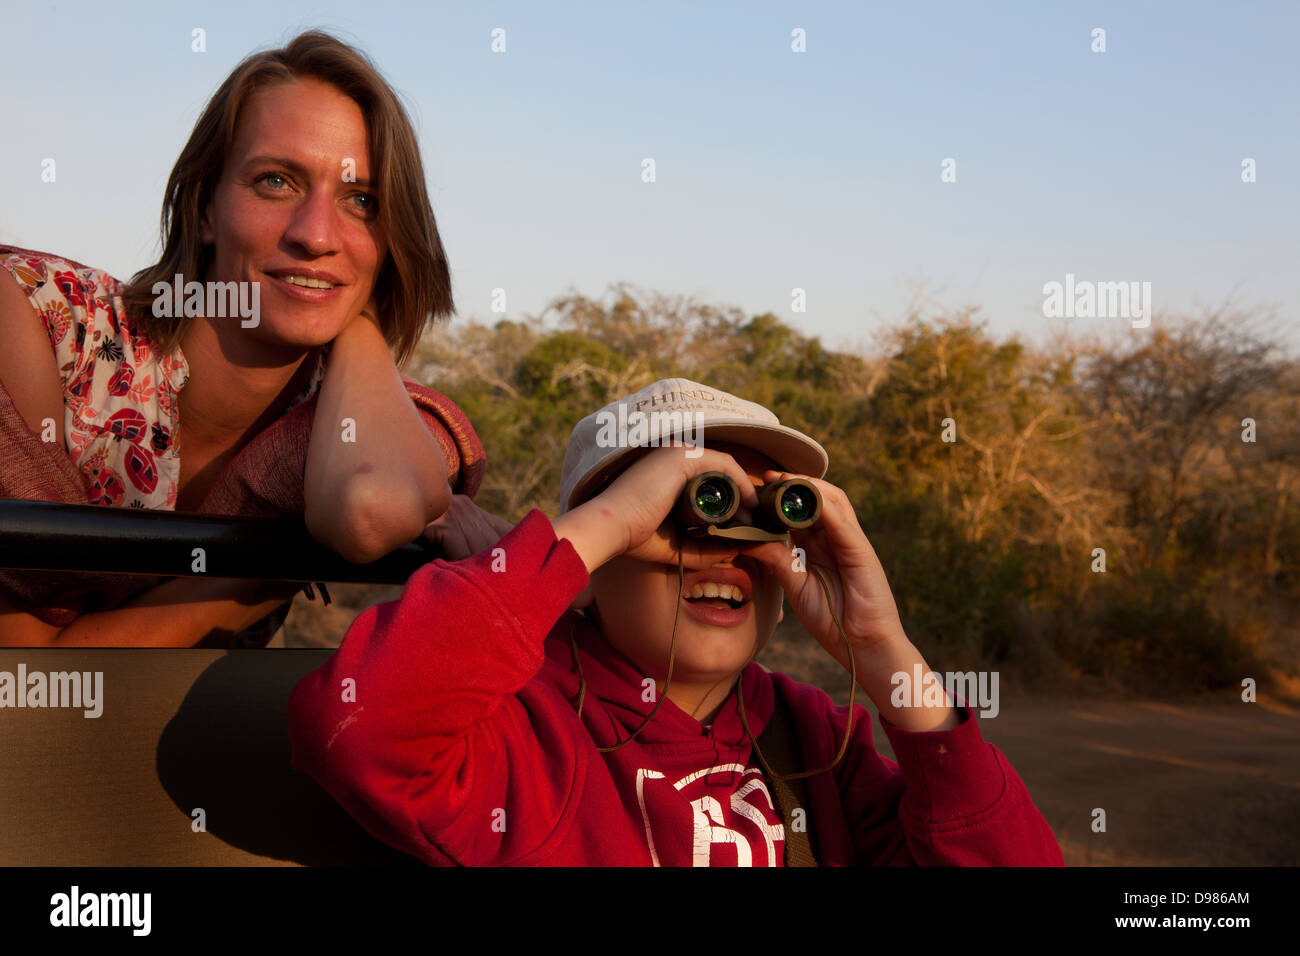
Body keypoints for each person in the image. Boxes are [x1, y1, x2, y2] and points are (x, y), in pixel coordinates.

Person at [287, 378, 1065, 866]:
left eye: (757, 517)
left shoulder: (814, 741)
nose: (719, 549)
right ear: (594, 558)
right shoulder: (523, 731)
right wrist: (598, 531)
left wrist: (883, 651)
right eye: (678, 512)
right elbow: (360, 729)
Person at [0, 32, 477, 647]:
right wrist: (271, 570)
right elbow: (36, 689)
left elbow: (369, 509)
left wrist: (361, 334)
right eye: (276, 181)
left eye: (362, 200)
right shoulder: (43, 322)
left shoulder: (355, 418)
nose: (316, 235)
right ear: (204, 208)